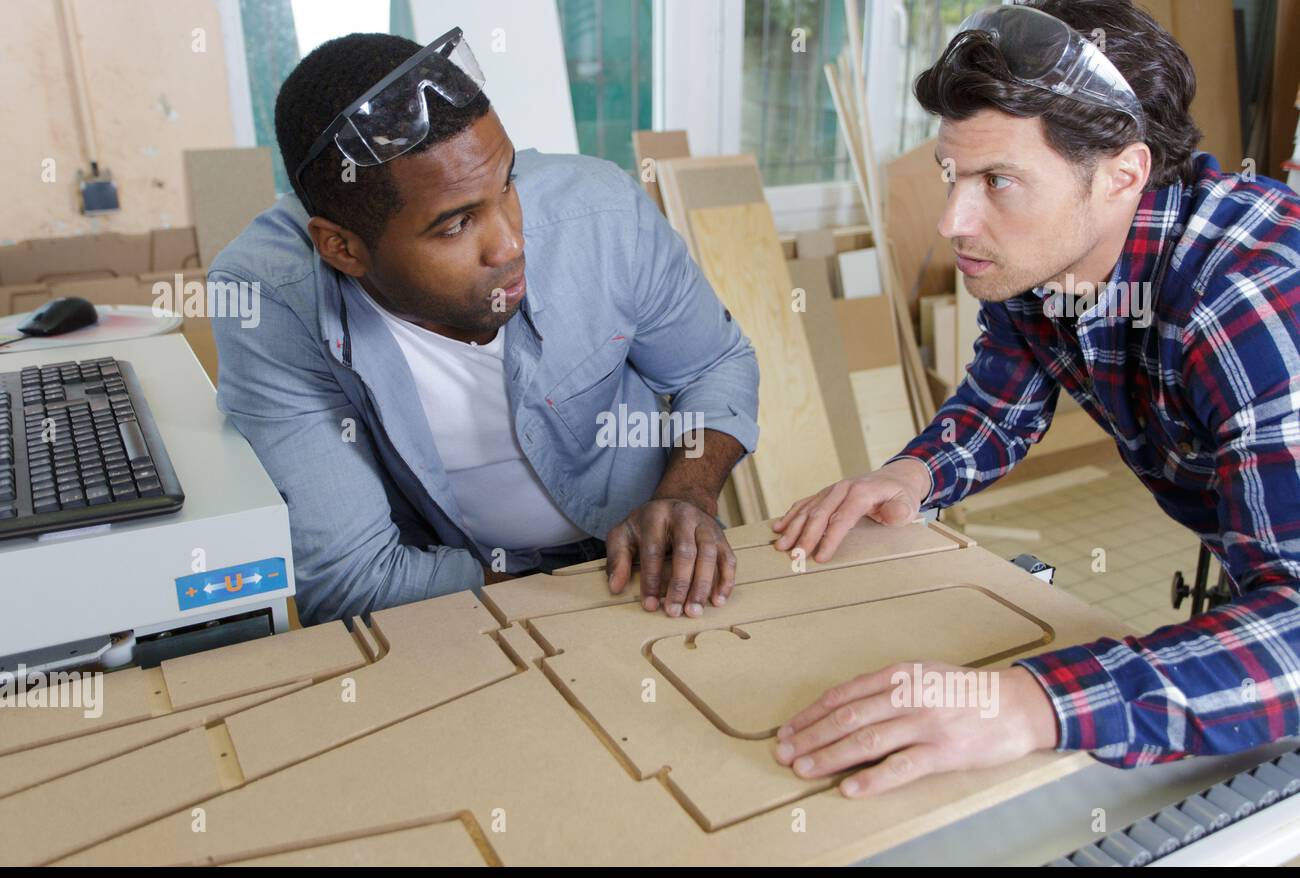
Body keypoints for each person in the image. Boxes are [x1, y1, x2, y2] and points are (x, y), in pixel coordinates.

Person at [772, 0, 1300, 797]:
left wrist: (1030, 703)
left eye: (999, 181)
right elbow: (1000, 401)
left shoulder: (1248, 301)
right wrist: (911, 475)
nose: (954, 220)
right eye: (953, 175)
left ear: (1124, 172)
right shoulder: (1045, 259)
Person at [209, 30, 759, 626]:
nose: (512, 243)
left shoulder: (599, 215)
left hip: (645, 573)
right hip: (455, 603)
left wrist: (687, 494)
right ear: (342, 248)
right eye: (456, 225)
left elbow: (714, 365)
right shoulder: (268, 298)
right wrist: (575, 602)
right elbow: (352, 581)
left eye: (508, 185)